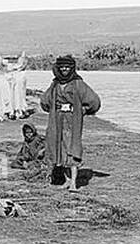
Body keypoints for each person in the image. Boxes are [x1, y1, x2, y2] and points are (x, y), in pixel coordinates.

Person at [39, 54, 101, 190]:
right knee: (59, 147)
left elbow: (94, 101)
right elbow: (45, 100)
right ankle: (66, 180)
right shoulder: (55, 84)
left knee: (72, 148)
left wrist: (82, 110)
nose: (65, 69)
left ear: (72, 68)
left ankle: (73, 182)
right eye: (62, 67)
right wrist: (53, 107)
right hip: (57, 120)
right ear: (58, 68)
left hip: (72, 121)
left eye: (67, 67)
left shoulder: (78, 84)